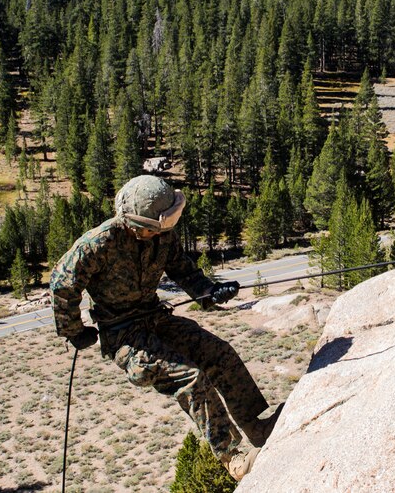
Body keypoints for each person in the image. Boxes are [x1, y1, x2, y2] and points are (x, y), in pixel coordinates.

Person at [50, 175, 280, 480]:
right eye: (154, 227)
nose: (162, 231)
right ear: (133, 222)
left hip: (156, 318)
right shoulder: (97, 244)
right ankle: (232, 456)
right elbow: (62, 286)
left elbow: (183, 270)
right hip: (125, 336)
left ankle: (258, 425)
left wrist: (209, 292)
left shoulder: (161, 235)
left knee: (220, 353)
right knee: (192, 379)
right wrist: (73, 331)